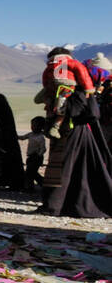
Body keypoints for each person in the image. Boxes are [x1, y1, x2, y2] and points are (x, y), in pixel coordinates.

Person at [37, 47, 112, 217]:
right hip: (69, 131)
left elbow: (87, 112)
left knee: (65, 167)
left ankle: (55, 205)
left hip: (74, 132)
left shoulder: (76, 90)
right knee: (66, 168)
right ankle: (57, 204)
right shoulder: (66, 90)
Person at [20, 116, 48, 191]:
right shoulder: (30, 134)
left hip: (36, 157)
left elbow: (43, 148)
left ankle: (33, 186)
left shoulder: (41, 137)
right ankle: (37, 185)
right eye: (32, 125)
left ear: (41, 127)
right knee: (31, 173)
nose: (32, 127)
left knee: (30, 172)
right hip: (30, 157)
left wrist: (39, 155)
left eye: (34, 125)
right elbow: (23, 137)